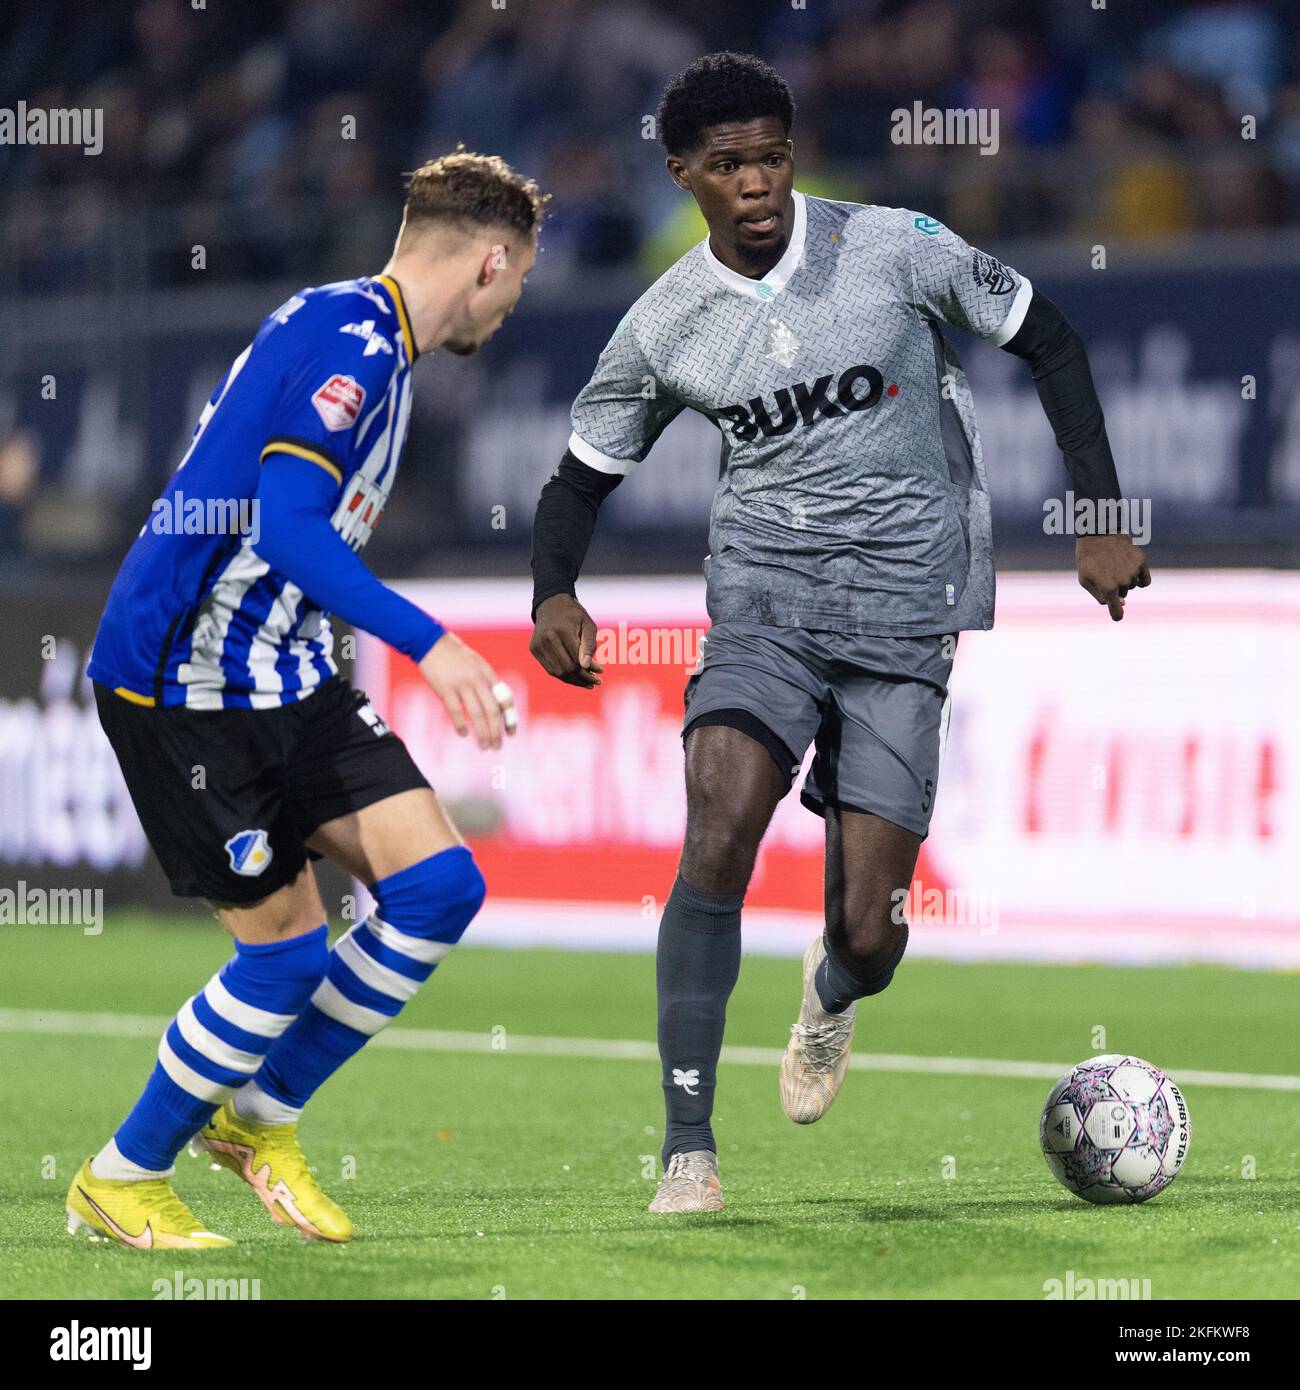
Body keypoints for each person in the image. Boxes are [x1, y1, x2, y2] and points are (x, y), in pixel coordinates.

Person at [529, 53, 1148, 1214]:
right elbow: (577, 479)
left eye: (771, 155)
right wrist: (553, 591)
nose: (756, 182)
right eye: (727, 166)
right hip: (762, 599)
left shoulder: (895, 246)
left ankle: (832, 989)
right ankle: (687, 1150)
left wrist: (1101, 516)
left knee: (870, 926)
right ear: (682, 176)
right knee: (717, 815)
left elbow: (1050, 339)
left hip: (908, 608)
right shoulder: (663, 324)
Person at [70, 150, 543, 1249]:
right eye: (516, 279)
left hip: (286, 673)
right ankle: (122, 1174)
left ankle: (259, 1117)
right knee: (285, 956)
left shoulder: (343, 318)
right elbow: (284, 525)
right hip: (184, 680)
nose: (515, 303)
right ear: (490, 259)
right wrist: (434, 646)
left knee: (436, 889)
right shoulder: (361, 348)